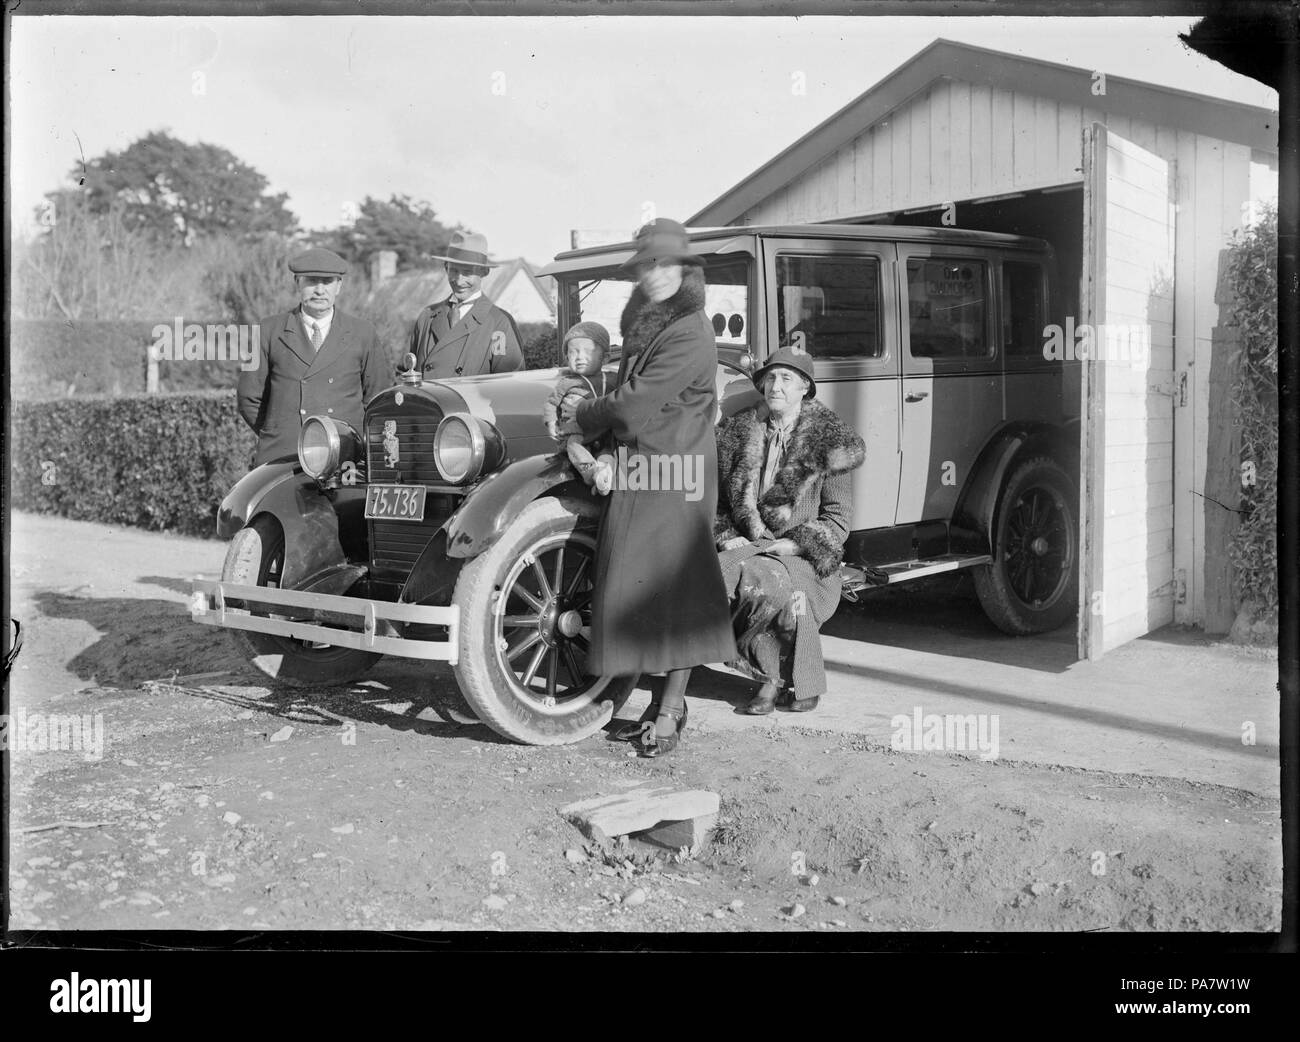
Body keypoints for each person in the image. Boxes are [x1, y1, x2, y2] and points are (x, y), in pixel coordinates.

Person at [558, 218, 737, 757]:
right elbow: (629, 400)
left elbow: (633, 403)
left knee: (679, 594)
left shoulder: (689, 329)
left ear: (683, 268)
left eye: (662, 263)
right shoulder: (649, 322)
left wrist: (580, 412)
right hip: (643, 469)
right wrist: (609, 454)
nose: (653, 273)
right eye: (645, 264)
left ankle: (670, 711)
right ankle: (652, 705)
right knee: (638, 592)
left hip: (676, 473)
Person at [714, 347, 866, 714]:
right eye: (770, 378)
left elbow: (838, 517)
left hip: (802, 556)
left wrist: (796, 545)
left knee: (772, 581)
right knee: (719, 575)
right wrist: (724, 533)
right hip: (748, 543)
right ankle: (771, 674)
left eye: (786, 379)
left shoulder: (830, 441)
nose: (775, 387)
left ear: (805, 389)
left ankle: (771, 680)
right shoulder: (738, 432)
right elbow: (717, 502)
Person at [238, 247, 389, 468]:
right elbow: (248, 397)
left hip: (345, 457)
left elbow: (378, 400)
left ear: (339, 286)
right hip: (285, 456)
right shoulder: (266, 330)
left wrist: (356, 442)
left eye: (327, 282)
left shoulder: (363, 332)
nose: (319, 290)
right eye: (311, 281)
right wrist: (277, 432)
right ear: (297, 282)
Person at [409, 231, 525, 378]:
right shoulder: (427, 316)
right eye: (454, 271)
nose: (459, 280)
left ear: (484, 272)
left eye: (467, 273)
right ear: (446, 268)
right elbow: (408, 372)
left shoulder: (500, 323)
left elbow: (509, 385)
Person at [544, 321, 615, 495]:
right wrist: (551, 421)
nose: (579, 357)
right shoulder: (566, 383)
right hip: (577, 431)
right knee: (573, 447)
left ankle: (605, 473)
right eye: (573, 352)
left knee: (610, 449)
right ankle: (590, 474)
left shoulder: (613, 379)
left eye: (588, 351)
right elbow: (552, 403)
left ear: (605, 358)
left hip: (606, 431)